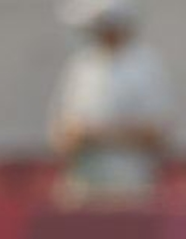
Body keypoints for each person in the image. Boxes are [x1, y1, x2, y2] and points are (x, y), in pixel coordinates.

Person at [49, 0, 173, 206]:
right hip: (84, 190)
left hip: (132, 189)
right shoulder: (81, 66)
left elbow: (158, 133)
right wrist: (75, 138)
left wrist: (100, 135)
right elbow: (61, 133)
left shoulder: (145, 66)